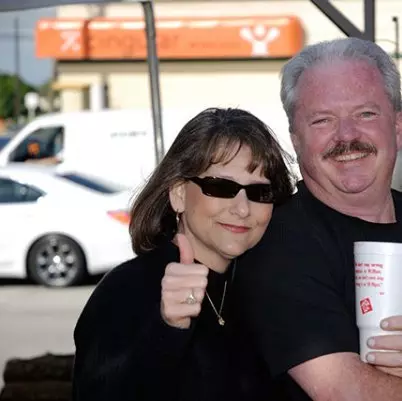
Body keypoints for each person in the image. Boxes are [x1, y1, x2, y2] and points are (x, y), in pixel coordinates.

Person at [72, 107, 295, 401]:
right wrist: (167, 329)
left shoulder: (261, 287)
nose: (242, 209)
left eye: (259, 192)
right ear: (178, 193)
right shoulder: (128, 289)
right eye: (221, 187)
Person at [233, 37, 402, 400]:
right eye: (323, 120)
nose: (347, 136)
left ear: (399, 127)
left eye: (365, 114)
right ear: (295, 140)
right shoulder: (277, 245)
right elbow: (348, 393)